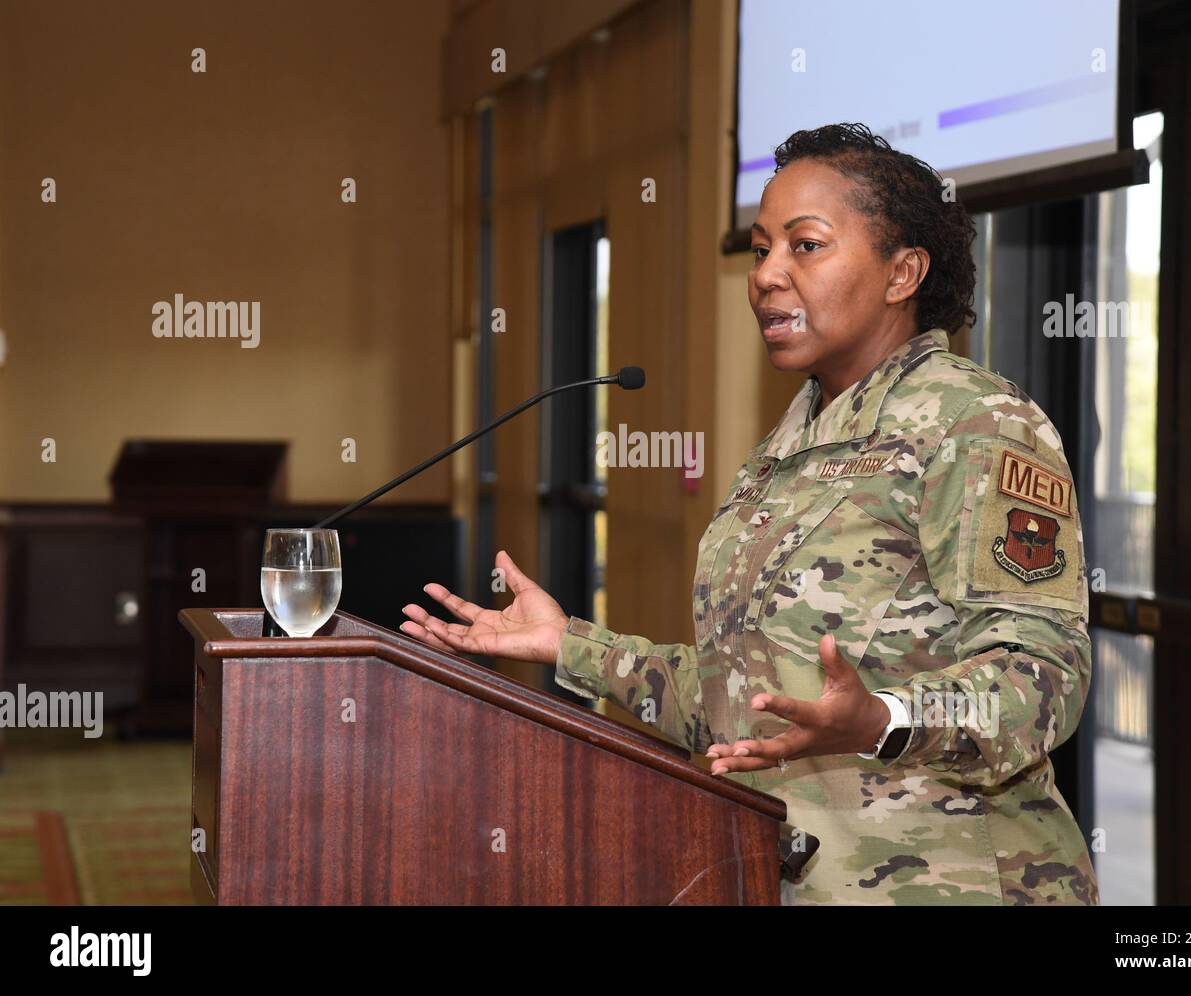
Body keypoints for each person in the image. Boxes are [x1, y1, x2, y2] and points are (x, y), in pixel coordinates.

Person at [401, 123, 1099, 906]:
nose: (766, 275)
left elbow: (1045, 678)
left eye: (805, 246)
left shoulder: (974, 421)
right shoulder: (787, 443)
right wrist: (570, 645)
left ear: (903, 272)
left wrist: (883, 718)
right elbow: (748, 701)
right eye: (762, 248)